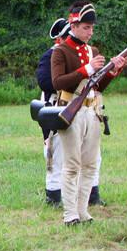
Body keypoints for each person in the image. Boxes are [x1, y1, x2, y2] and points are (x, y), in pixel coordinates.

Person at [50, 2, 127, 225]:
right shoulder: (60, 51)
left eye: (91, 27)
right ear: (73, 25)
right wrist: (87, 69)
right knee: (72, 165)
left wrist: (114, 70)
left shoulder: (91, 51)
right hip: (72, 111)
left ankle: (83, 211)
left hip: (92, 111)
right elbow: (58, 82)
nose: (90, 32)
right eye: (86, 27)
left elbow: (98, 87)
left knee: (90, 165)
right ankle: (70, 214)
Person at [37, 18, 103, 207]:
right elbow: (47, 82)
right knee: (57, 155)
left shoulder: (86, 53)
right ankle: (54, 196)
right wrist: (78, 74)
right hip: (60, 108)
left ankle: (92, 195)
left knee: (92, 154)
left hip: (86, 108)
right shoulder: (52, 55)